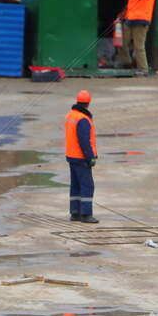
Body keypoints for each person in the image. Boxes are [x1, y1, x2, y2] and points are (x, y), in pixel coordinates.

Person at [64, 90, 98, 224]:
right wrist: (91, 157)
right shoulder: (83, 119)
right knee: (87, 185)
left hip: (71, 156)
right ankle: (86, 214)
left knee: (76, 185)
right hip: (81, 157)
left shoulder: (71, 115)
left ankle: (75, 212)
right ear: (88, 103)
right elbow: (84, 141)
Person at [121, 0, 156, 73]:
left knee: (139, 46)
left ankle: (143, 70)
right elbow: (132, 2)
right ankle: (126, 64)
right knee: (123, 43)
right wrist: (123, 13)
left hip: (141, 20)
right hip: (129, 19)